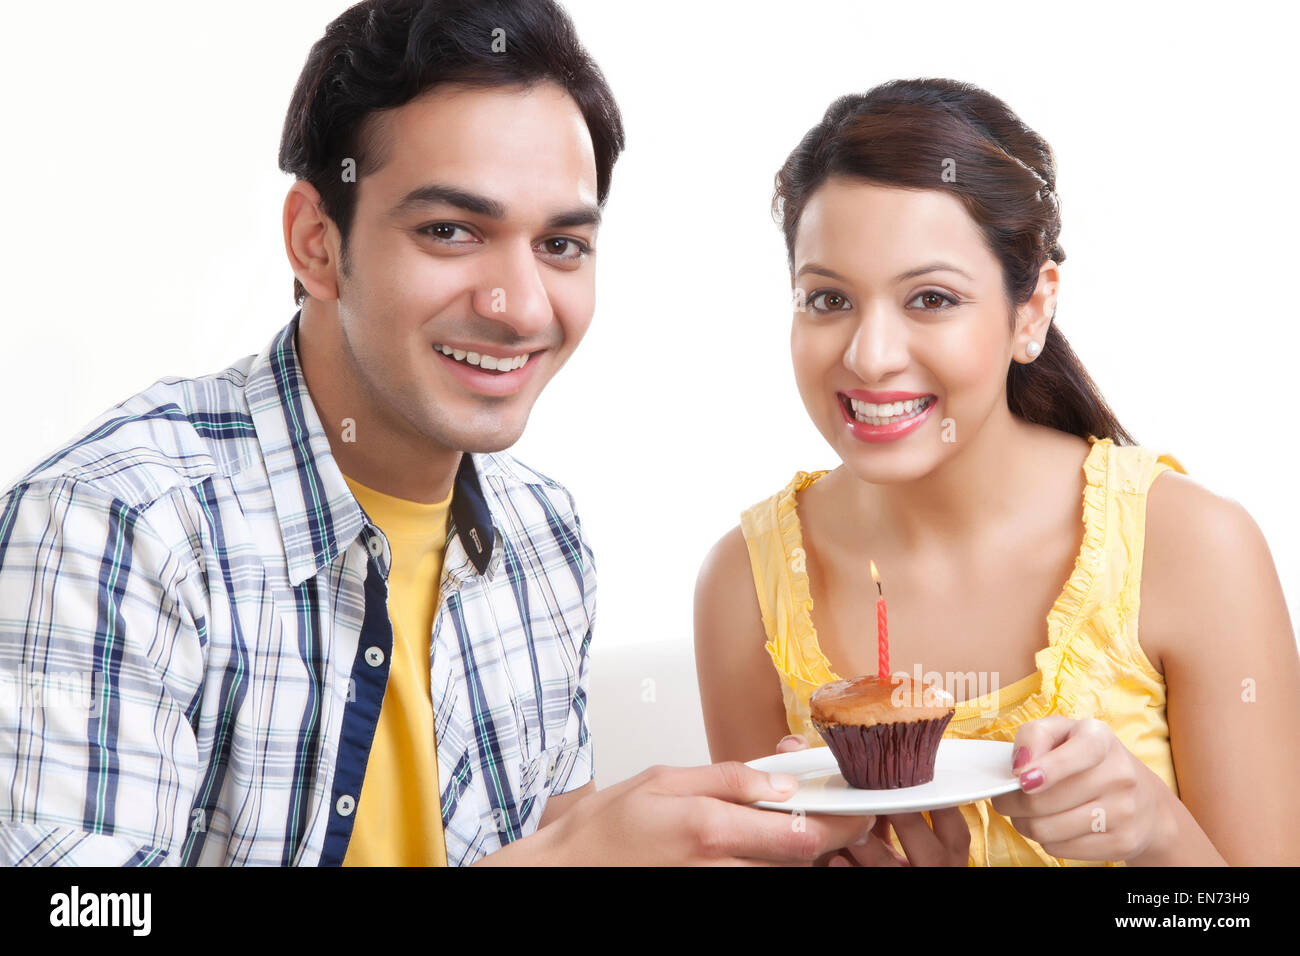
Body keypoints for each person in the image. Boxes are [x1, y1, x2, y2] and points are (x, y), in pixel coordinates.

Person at [0, 0, 877, 866]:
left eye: (561, 245)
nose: (520, 306)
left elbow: (554, 846)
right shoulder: (114, 526)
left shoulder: (542, 535)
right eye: (451, 231)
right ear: (315, 242)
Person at [694, 77, 1300, 866]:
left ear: (1032, 310)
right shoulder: (745, 585)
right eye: (828, 300)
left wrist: (1160, 835)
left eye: (932, 298)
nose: (870, 356)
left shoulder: (1194, 549)